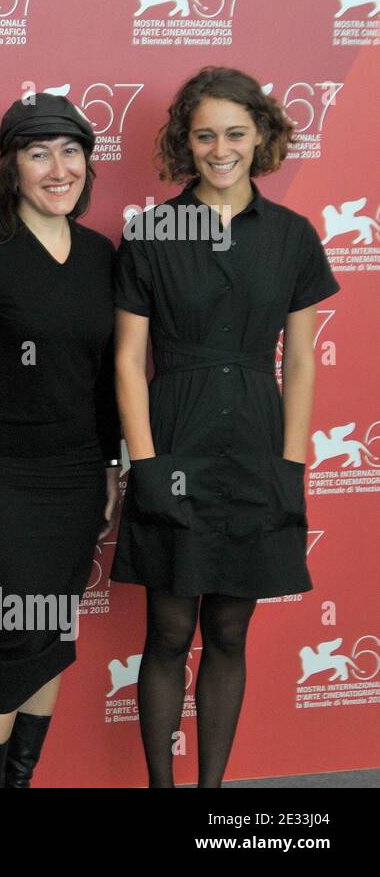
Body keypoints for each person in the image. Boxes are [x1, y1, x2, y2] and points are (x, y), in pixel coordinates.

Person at [113, 66, 340, 787]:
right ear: (187, 141)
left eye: (235, 133)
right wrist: (146, 464)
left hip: (256, 445)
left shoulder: (294, 236)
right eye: (205, 134)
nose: (220, 148)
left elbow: (301, 359)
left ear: (262, 135)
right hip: (172, 440)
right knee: (170, 631)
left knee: (230, 631)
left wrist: (291, 463)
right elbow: (125, 360)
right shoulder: (149, 233)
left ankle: (211, 798)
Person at [0, 93, 121, 787]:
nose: (57, 167)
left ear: (87, 164)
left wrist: (109, 464)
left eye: (70, 151)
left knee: (51, 640)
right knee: (8, 642)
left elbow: (105, 377)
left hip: (73, 477)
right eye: (38, 153)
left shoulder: (102, 257)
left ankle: (19, 779)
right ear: (12, 167)